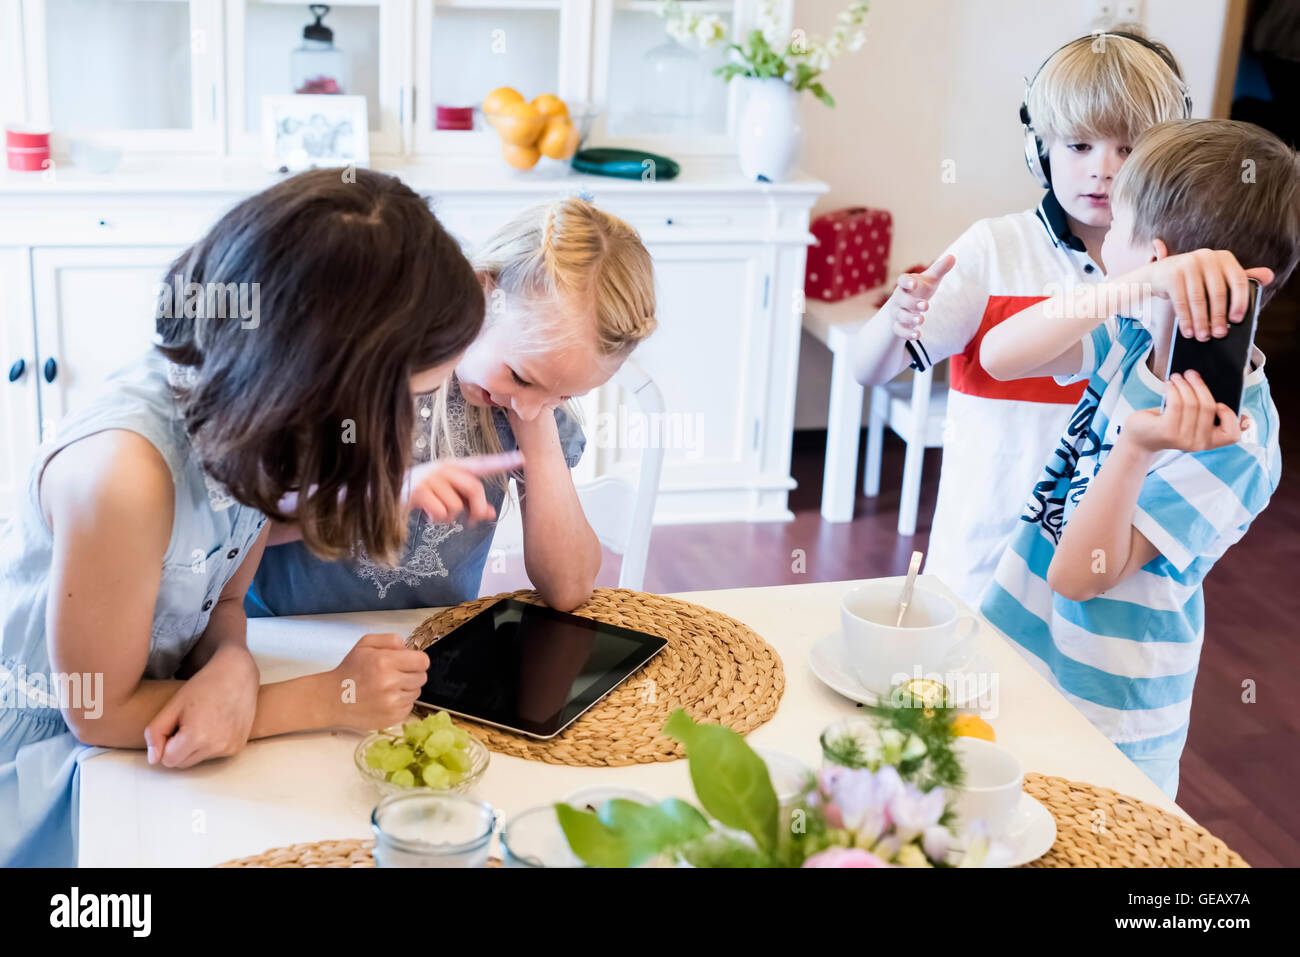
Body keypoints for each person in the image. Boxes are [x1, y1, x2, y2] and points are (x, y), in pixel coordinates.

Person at [0, 168, 484, 865]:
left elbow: (224, 594)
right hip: (54, 773)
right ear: (327, 386)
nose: (413, 428)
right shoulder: (125, 477)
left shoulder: (250, 422)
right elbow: (96, 711)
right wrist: (329, 696)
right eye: (411, 400)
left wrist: (230, 663)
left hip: (147, 736)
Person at [979, 119, 1300, 796]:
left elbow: (1078, 573)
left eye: (1117, 222)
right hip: (1019, 652)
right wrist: (1127, 289)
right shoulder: (1128, 336)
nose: (1103, 235)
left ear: (1152, 253)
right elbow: (997, 355)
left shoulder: (1237, 440)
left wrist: (1135, 447)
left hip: (1108, 720)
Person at [850, 31, 1191, 606]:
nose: (1102, 170)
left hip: (1111, 578)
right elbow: (868, 371)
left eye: (1128, 149)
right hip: (983, 562)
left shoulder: (1177, 267)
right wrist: (895, 321)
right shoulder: (993, 249)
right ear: (1040, 150)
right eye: (1079, 146)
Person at [245, 196, 658, 616]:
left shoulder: (529, 412)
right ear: (482, 292)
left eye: (564, 394)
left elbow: (567, 587)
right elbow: (249, 532)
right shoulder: (365, 360)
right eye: (521, 376)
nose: (533, 407)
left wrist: (537, 433)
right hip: (286, 636)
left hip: (428, 642)